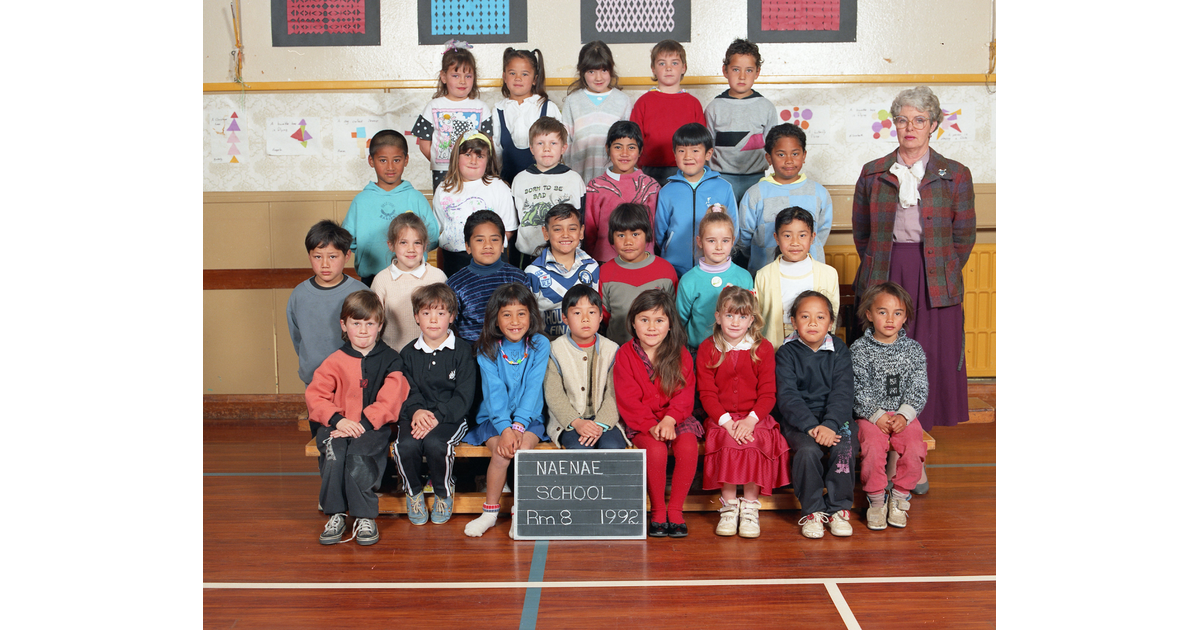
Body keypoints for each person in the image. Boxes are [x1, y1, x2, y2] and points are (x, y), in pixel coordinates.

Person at [852, 85, 975, 439]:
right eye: (902, 119)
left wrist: (940, 268)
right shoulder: (874, 172)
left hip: (936, 275)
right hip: (888, 269)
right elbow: (862, 232)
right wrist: (881, 267)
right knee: (886, 357)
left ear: (933, 124)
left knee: (930, 358)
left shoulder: (955, 173)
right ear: (894, 124)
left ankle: (917, 447)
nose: (910, 127)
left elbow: (964, 236)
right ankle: (882, 442)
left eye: (919, 120)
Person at [307, 291, 410, 546]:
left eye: (370, 324)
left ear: (380, 326)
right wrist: (338, 421)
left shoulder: (391, 360)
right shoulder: (334, 362)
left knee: (359, 457)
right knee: (335, 452)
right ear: (344, 325)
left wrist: (362, 425)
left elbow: (392, 398)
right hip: (337, 425)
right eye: (356, 323)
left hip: (372, 428)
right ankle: (336, 514)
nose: (363, 331)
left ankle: (365, 516)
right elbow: (316, 395)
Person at [696, 286, 789, 538]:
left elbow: (768, 393)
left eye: (742, 316)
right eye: (729, 315)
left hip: (754, 416)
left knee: (754, 441)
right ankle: (728, 506)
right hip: (721, 418)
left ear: (751, 320)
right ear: (717, 317)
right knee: (728, 441)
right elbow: (707, 394)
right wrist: (727, 423)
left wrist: (750, 421)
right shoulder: (708, 348)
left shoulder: (763, 348)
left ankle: (749, 507)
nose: (735, 322)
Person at [461, 283, 551, 538]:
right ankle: (489, 514)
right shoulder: (486, 347)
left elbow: (533, 388)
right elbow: (494, 392)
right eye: (507, 314)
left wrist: (519, 426)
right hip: (494, 419)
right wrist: (505, 428)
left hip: (529, 418)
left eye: (521, 313)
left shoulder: (539, 344)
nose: (515, 321)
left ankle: (520, 513)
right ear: (496, 319)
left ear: (531, 315)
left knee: (522, 453)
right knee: (501, 454)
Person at [614, 288, 700, 538]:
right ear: (633, 322)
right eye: (644, 320)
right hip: (642, 422)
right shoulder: (625, 355)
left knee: (687, 446)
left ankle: (676, 510)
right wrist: (652, 425)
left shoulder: (680, 353)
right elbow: (627, 399)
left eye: (659, 320)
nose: (652, 327)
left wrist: (670, 419)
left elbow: (685, 394)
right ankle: (658, 511)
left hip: (676, 417)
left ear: (670, 324)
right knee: (655, 449)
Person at [392, 283, 478, 526]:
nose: (433, 320)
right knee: (405, 445)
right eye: (426, 313)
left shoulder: (463, 351)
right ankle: (414, 493)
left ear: (452, 317)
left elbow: (464, 396)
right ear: (416, 317)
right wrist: (418, 411)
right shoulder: (408, 353)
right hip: (415, 415)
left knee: (435, 442)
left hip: (451, 417)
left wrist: (437, 417)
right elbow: (408, 389)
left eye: (441, 313)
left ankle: (443, 492)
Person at [775, 291, 855, 539]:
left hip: (836, 418)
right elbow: (787, 396)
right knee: (808, 451)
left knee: (845, 448)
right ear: (793, 321)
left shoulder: (840, 350)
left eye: (820, 317)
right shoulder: (786, 353)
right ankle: (812, 512)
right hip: (801, 420)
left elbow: (843, 393)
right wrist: (811, 427)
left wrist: (830, 424)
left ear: (830, 323)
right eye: (805, 316)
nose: (812, 323)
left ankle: (838, 508)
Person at [852, 282, 928, 531]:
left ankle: (900, 497)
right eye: (882, 312)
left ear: (905, 317)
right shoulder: (859, 350)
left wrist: (905, 415)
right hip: (871, 416)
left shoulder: (913, 350)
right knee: (873, 447)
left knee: (916, 446)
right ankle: (875, 501)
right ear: (869, 315)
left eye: (897, 313)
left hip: (903, 415)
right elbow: (857, 389)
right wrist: (877, 415)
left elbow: (919, 387)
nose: (890, 319)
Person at [287, 220, 369, 436]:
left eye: (332, 257)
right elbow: (297, 337)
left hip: (354, 383)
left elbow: (370, 335)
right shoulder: (299, 295)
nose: (325, 264)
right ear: (309, 256)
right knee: (322, 441)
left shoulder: (360, 292)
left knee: (354, 439)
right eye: (318, 256)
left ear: (347, 257)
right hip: (316, 383)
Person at [343, 130, 440, 288]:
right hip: (371, 279)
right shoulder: (360, 201)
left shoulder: (416, 198)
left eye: (396, 160)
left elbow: (433, 238)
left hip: (413, 277)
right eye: (382, 160)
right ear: (371, 161)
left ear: (406, 160)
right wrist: (368, 252)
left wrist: (409, 256)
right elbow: (348, 240)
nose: (390, 167)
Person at [738, 124, 833, 274]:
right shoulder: (755, 194)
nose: (789, 160)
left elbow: (821, 233)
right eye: (781, 154)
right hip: (766, 273)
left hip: (809, 274)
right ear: (768, 157)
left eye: (795, 154)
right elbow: (744, 239)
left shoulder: (819, 193)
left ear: (804, 155)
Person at [543, 285, 628, 449]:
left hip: (604, 419)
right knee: (580, 448)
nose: (585, 318)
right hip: (569, 421)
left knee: (612, 447)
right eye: (577, 313)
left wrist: (600, 424)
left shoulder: (612, 349)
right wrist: (576, 421)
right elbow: (553, 393)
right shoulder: (555, 350)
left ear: (601, 316)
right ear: (565, 318)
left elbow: (614, 392)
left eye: (592, 312)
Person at [655, 123, 739, 278]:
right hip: (675, 267)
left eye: (695, 150)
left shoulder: (723, 187)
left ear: (708, 154)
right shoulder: (667, 191)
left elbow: (734, 227)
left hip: (714, 266)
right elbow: (660, 233)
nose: (688, 157)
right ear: (674, 154)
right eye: (681, 151)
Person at [433, 132, 518, 278]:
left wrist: (487, 250)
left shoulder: (499, 187)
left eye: (480, 156)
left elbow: (508, 230)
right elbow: (441, 229)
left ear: (488, 160)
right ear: (456, 157)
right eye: (467, 154)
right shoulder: (443, 189)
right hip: (454, 260)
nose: (473, 161)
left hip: (491, 259)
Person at [753, 207, 839, 348]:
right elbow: (758, 318)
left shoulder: (828, 274)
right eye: (787, 235)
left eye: (802, 235)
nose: (795, 242)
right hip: (775, 349)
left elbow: (832, 316)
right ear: (776, 238)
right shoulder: (764, 275)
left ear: (812, 237)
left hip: (816, 350)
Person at [412, 40, 492, 191]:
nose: (462, 81)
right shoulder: (433, 106)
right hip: (443, 172)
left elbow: (488, 144)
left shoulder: (481, 108)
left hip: (474, 173)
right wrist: (442, 162)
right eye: (455, 75)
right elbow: (424, 145)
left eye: (468, 76)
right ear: (443, 76)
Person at [705, 39, 777, 207]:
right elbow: (706, 148)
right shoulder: (714, 107)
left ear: (757, 72)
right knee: (723, 225)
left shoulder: (766, 107)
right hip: (720, 178)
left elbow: (773, 147)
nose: (742, 76)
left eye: (749, 70)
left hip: (755, 178)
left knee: (752, 226)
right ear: (725, 70)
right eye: (736, 69)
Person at [597, 203, 678, 345]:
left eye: (635, 234)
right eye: (621, 235)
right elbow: (604, 317)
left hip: (659, 352)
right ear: (611, 237)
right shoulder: (605, 272)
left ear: (647, 234)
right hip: (618, 351)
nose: (628, 242)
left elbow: (673, 315)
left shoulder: (665, 270)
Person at [446, 210, 531, 343]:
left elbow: (528, 318)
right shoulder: (455, 283)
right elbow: (449, 326)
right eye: (479, 240)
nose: (488, 246)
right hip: (472, 353)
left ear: (503, 244)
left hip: (513, 353)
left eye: (494, 239)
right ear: (468, 246)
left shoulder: (518, 277)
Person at [511, 117, 586, 268]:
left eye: (553, 143)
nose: (547, 149)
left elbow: (581, 220)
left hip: (566, 256)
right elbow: (514, 224)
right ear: (531, 148)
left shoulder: (574, 179)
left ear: (563, 148)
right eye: (540, 143)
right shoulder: (520, 179)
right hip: (528, 256)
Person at [630, 39, 706, 186]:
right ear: (653, 68)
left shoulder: (693, 103)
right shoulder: (643, 102)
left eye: (675, 63)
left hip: (686, 170)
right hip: (649, 171)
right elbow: (634, 139)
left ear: (684, 67)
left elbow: (701, 141)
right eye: (662, 63)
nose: (668, 68)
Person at [583, 121, 660, 263]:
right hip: (605, 261)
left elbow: (655, 229)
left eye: (631, 147)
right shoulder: (596, 186)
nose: (624, 153)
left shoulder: (650, 186)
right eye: (618, 147)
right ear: (607, 149)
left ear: (640, 150)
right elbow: (590, 231)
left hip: (643, 261)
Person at [676, 210, 753, 352]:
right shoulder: (688, 280)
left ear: (733, 240)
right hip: (697, 350)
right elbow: (679, 321)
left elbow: (749, 316)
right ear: (699, 241)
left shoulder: (744, 277)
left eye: (725, 240)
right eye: (711, 240)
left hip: (737, 350)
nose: (719, 247)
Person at [371, 213, 448, 352]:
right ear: (391, 245)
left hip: (433, 356)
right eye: (403, 242)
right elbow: (373, 324)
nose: (411, 249)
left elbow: (448, 319)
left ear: (425, 246)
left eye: (417, 243)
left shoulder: (438, 277)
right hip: (394, 356)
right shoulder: (381, 280)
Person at [562, 40, 633, 184]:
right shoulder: (572, 102)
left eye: (604, 70)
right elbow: (566, 143)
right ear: (582, 72)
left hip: (614, 181)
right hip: (579, 180)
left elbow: (629, 142)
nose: (598, 77)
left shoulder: (623, 101)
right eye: (591, 71)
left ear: (611, 70)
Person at [523, 203, 599, 338]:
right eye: (557, 229)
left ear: (581, 232)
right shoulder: (533, 272)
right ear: (546, 233)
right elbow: (529, 317)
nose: (565, 235)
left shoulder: (592, 267)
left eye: (572, 229)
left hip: (584, 345)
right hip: (549, 347)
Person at [494, 47, 561, 184]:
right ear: (504, 77)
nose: (518, 78)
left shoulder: (547, 107)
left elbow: (559, 147)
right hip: (509, 184)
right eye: (512, 73)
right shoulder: (498, 110)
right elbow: (496, 153)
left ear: (535, 79)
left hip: (544, 183)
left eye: (524, 74)